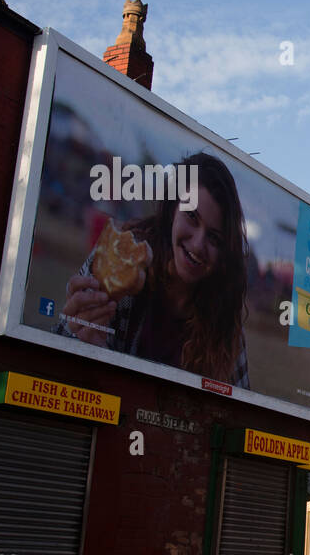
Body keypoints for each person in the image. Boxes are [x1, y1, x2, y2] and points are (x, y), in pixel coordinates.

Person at [55, 151, 251, 389]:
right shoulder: (116, 260)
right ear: (172, 211)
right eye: (191, 216)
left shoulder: (225, 325)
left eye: (214, 238)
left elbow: (235, 414)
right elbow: (56, 361)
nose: (198, 245)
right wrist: (84, 342)